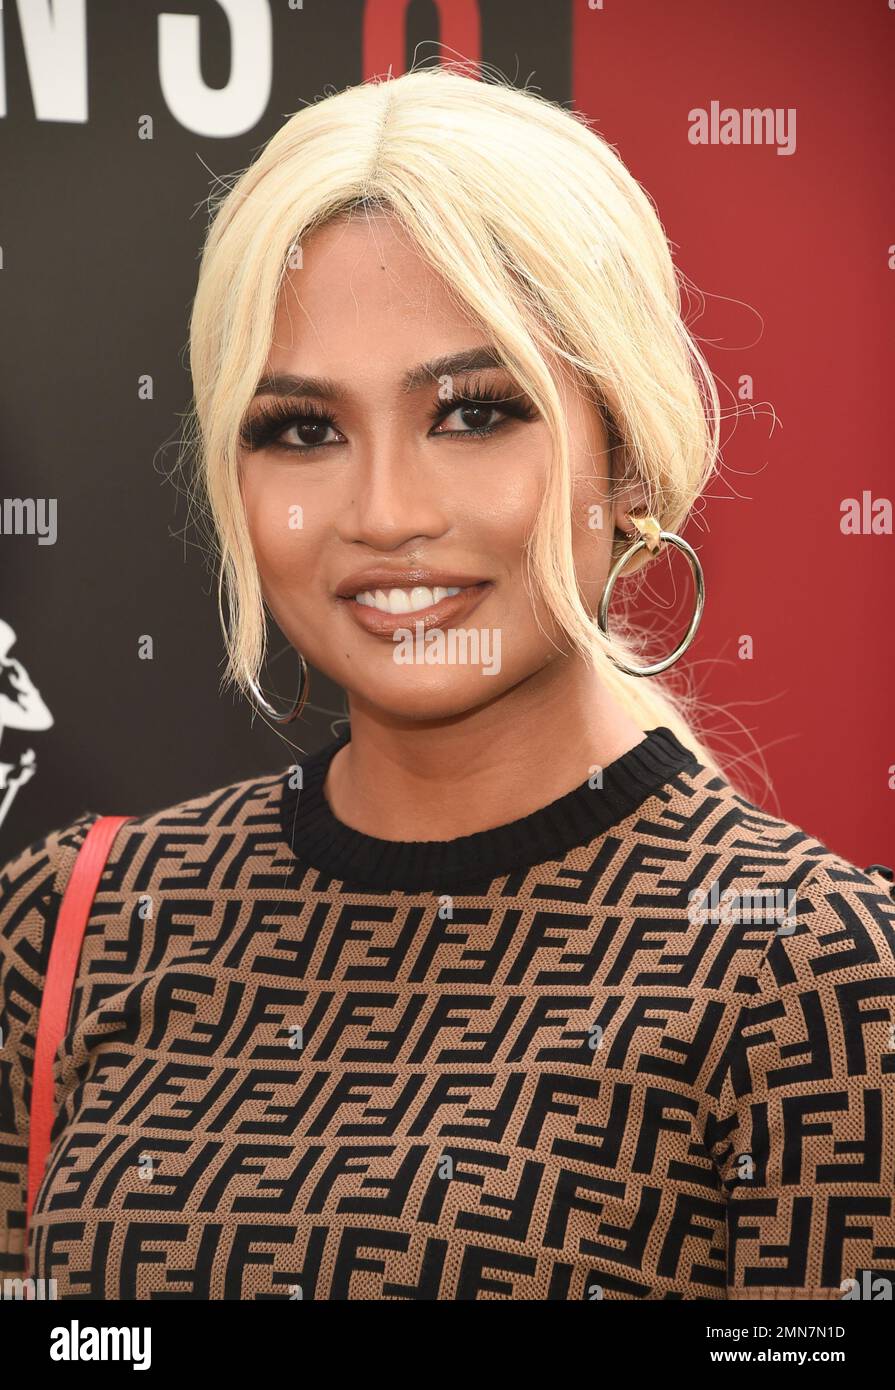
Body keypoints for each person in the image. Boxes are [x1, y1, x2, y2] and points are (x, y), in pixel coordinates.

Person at [1, 65, 892, 1302]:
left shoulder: (821, 981)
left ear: (627, 453)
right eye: (302, 430)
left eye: (472, 414)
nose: (385, 513)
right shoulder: (79, 922)